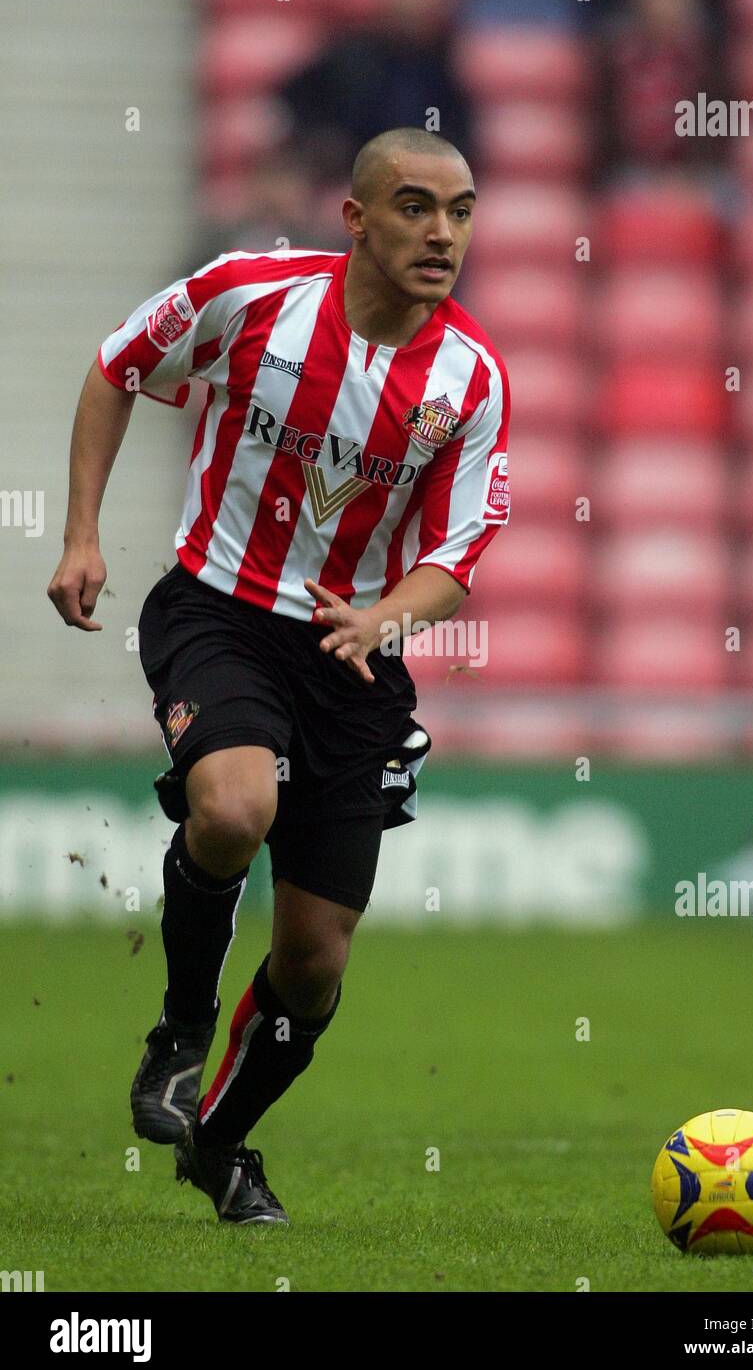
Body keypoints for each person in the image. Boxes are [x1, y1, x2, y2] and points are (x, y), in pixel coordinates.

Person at [47, 126, 511, 1226]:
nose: (440, 231)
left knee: (312, 961)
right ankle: (177, 1029)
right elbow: (118, 366)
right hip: (219, 610)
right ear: (354, 218)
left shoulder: (470, 379)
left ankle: (218, 1144)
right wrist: (80, 536)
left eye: (458, 209)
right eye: (412, 206)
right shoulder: (249, 296)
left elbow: (457, 553)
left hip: (351, 653)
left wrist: (388, 614)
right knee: (233, 804)